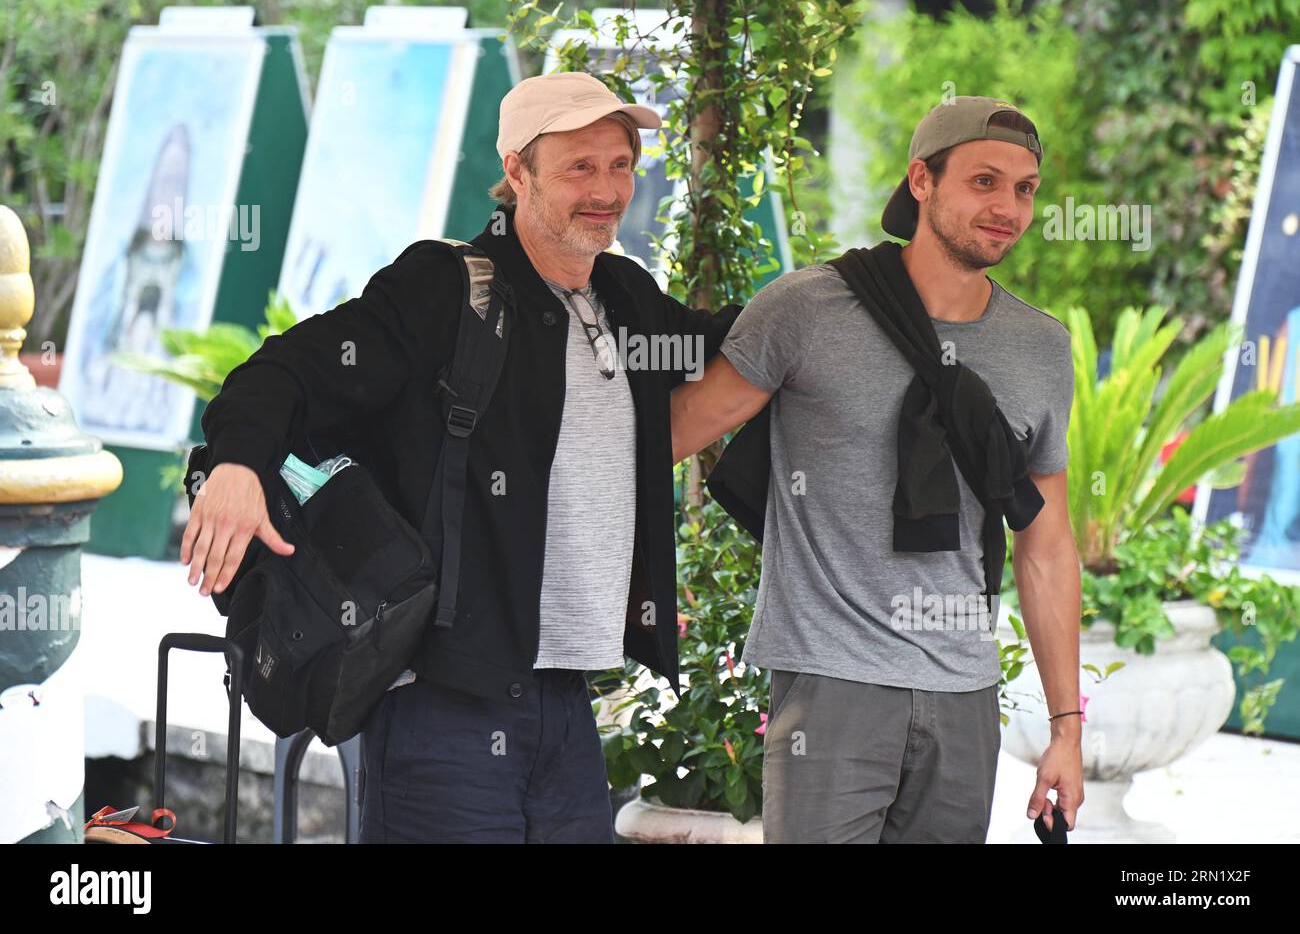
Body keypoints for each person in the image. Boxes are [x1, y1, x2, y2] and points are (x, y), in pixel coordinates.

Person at [181, 70, 741, 843]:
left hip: (567, 703)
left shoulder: (626, 296)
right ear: (517, 172)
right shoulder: (446, 289)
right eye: (579, 166)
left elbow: (724, 346)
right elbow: (286, 369)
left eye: (619, 164)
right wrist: (238, 463)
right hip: (443, 707)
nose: (606, 189)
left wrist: (832, 301)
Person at [670, 96, 1084, 843]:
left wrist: (1067, 728)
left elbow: (1046, 545)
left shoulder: (1040, 346)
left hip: (963, 691)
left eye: (1025, 188)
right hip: (831, 684)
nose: (1009, 207)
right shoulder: (806, 310)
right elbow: (671, 433)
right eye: (985, 181)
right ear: (921, 181)